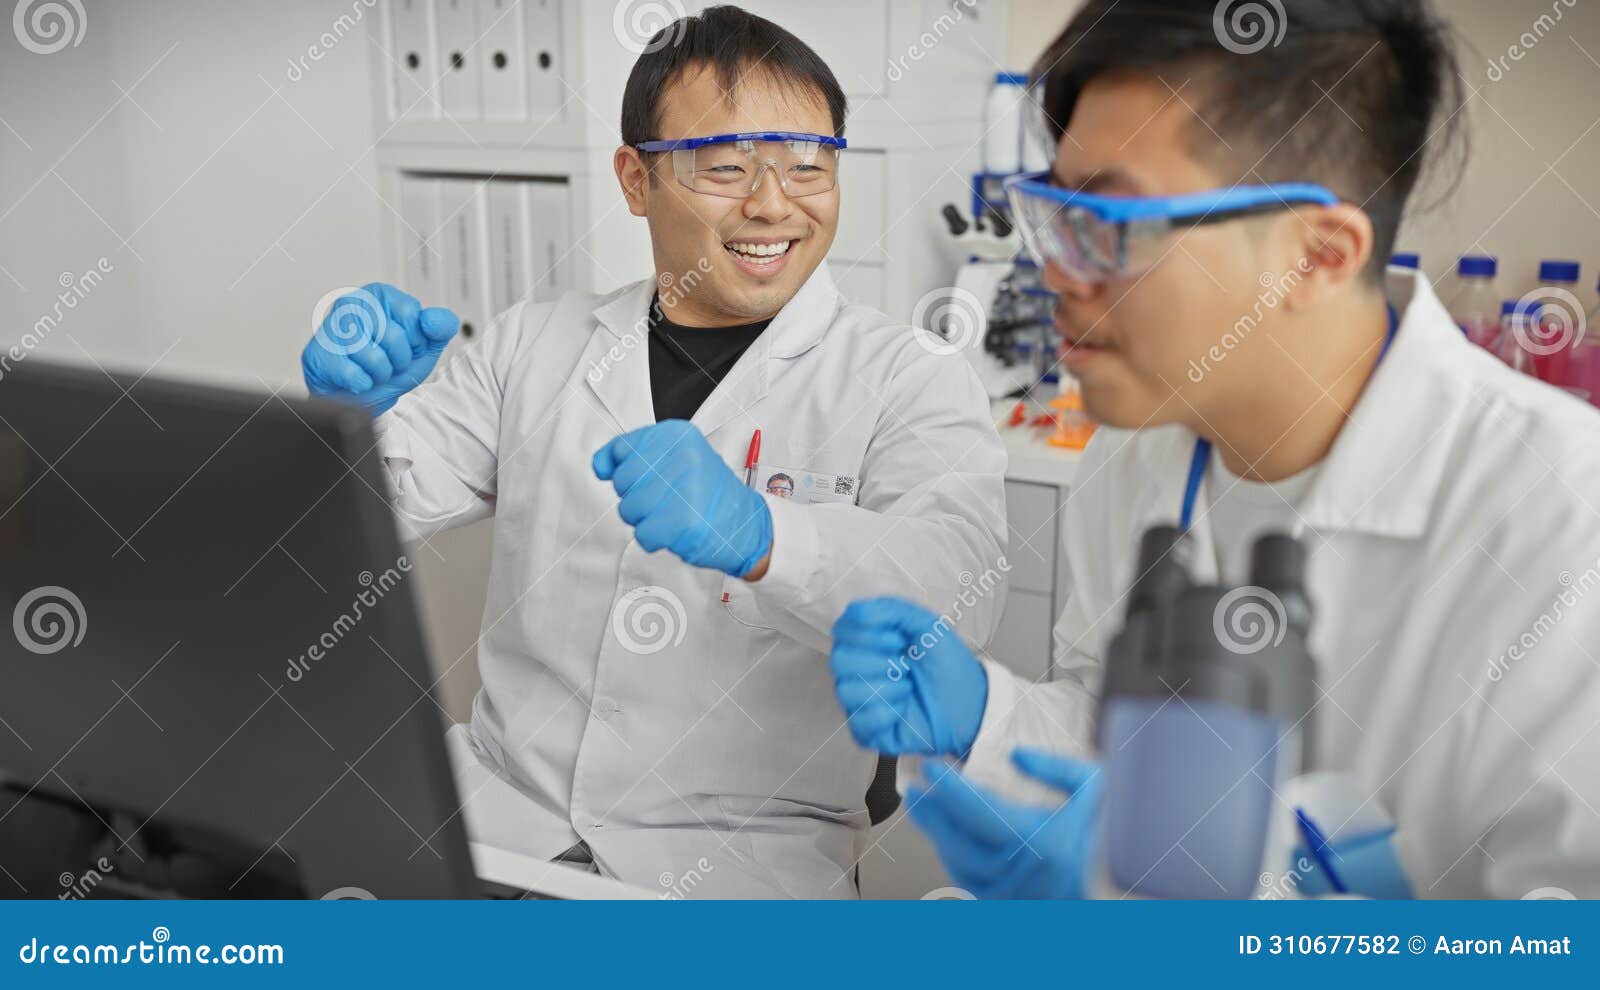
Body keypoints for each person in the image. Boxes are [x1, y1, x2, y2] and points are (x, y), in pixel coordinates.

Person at [829, 0, 1600, 899]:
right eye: (1053, 214)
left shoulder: (1566, 522)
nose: (1055, 274)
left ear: (1317, 255)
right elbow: (1111, 733)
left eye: (1112, 226)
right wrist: (985, 712)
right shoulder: (1142, 448)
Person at [299, 6, 1006, 898]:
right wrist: (344, 422)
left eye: (808, 165)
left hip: (741, 869)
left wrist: (768, 540)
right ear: (637, 179)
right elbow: (358, 512)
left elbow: (959, 598)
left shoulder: (909, 376)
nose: (773, 203)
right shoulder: (537, 342)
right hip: (496, 819)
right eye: (725, 167)